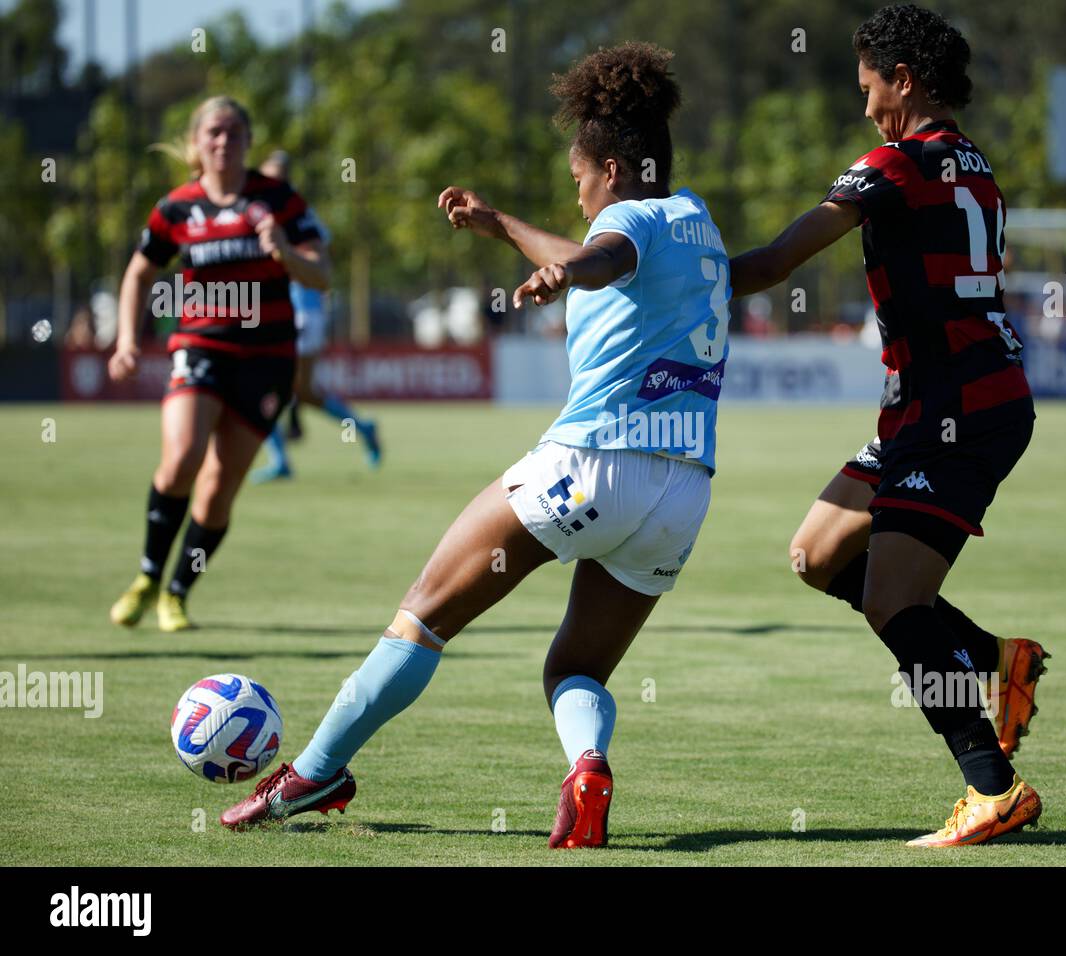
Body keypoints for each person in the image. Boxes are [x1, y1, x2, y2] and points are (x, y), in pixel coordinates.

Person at [220, 44, 730, 848]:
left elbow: (598, 257)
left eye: (581, 182)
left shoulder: (625, 220)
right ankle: (587, 764)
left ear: (614, 167)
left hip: (592, 465)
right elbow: (744, 268)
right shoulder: (699, 224)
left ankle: (312, 773)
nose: (581, 196)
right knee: (576, 670)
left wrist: (516, 236)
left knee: (423, 616)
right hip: (683, 493)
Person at [729, 4, 1044, 846]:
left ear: (903, 81)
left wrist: (658, 272)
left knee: (891, 600)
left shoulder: (895, 167)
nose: (865, 105)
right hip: (929, 404)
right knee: (817, 552)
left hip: (957, 409)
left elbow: (769, 264)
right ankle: (992, 659)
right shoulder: (975, 164)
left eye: (870, 86)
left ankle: (993, 788)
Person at [107, 96, 329, 632]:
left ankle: (178, 592)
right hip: (200, 347)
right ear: (197, 142)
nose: (223, 141)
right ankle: (147, 576)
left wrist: (285, 252)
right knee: (183, 456)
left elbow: (321, 275)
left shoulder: (279, 199)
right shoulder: (176, 207)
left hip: (268, 360)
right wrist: (125, 340)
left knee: (217, 487)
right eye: (213, 132)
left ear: (248, 141)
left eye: (233, 132)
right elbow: (139, 273)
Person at [249, 150, 381, 483]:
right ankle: (362, 428)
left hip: (299, 316)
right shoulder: (272, 214)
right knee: (303, 392)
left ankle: (280, 459)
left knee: (260, 389)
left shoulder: (294, 216)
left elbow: (319, 269)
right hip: (293, 316)